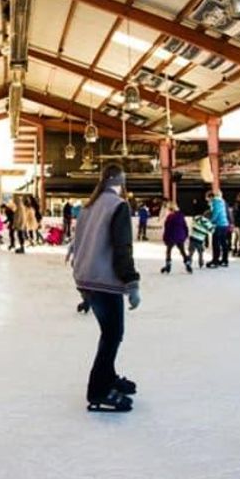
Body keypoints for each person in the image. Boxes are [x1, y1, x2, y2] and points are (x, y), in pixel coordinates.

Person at [69, 164, 140, 413]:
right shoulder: (118, 206)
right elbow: (122, 247)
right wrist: (131, 282)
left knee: (109, 333)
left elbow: (76, 242)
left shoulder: (89, 206)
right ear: (121, 182)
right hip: (104, 281)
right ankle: (98, 390)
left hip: (85, 278)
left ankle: (107, 377)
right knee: (112, 335)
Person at [161, 203, 191, 274]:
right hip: (180, 236)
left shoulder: (169, 217)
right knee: (182, 251)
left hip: (171, 236)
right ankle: (187, 264)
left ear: (170, 210)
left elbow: (167, 229)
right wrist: (185, 235)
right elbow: (185, 226)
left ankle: (168, 265)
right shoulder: (181, 216)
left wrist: (165, 238)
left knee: (168, 251)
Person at [207, 191, 231, 268]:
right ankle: (224, 260)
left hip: (219, 225)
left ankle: (215, 261)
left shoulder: (216, 202)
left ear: (211, 197)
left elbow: (215, 214)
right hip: (224, 224)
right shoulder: (222, 202)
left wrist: (210, 221)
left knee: (215, 243)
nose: (208, 201)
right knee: (223, 243)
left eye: (208, 199)